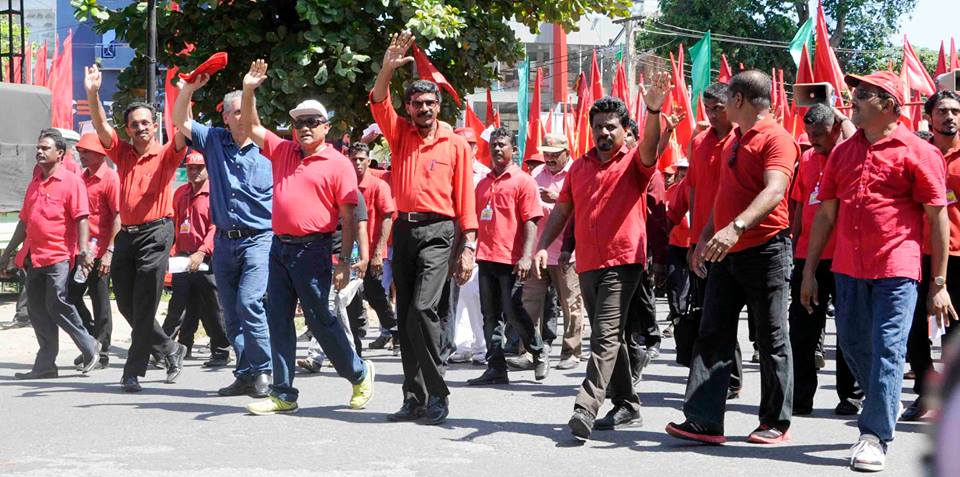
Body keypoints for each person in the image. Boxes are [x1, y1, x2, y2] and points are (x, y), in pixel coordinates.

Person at [800, 71, 955, 472]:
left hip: (896, 269)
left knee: (889, 348)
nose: (853, 99)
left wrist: (938, 283)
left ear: (888, 105)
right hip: (848, 268)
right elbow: (825, 215)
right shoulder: (842, 153)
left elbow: (937, 218)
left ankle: (873, 436)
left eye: (864, 94)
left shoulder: (919, 152)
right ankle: (885, 398)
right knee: (852, 345)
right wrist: (809, 271)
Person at [533, 73, 671, 439]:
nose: (604, 132)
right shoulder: (579, 167)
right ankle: (627, 405)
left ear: (625, 130)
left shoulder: (635, 162)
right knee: (610, 337)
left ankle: (586, 407)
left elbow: (651, 147)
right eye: (598, 127)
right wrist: (543, 246)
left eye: (611, 127)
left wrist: (653, 111)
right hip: (588, 264)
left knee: (605, 337)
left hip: (623, 262)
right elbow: (563, 211)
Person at [667, 70, 799, 445]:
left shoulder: (777, 138)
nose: (720, 108)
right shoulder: (733, 141)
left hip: (767, 249)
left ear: (738, 100)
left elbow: (775, 191)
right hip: (725, 252)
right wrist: (704, 237)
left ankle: (775, 422)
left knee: (771, 337)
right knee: (712, 333)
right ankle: (703, 420)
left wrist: (736, 227)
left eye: (726, 100)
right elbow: (722, 198)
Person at [240, 59, 375, 415]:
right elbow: (251, 126)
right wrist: (249, 90)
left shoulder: (339, 163)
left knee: (319, 319)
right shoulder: (283, 150)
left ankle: (359, 373)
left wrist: (344, 262)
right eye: (299, 123)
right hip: (279, 248)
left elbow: (349, 217)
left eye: (312, 122)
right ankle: (284, 393)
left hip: (313, 250)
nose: (304, 128)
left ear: (326, 127)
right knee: (278, 319)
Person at [370, 32, 478, 425]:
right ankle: (413, 397)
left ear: (439, 105)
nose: (425, 108)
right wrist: (387, 67)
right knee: (406, 317)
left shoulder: (455, 143)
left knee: (423, 308)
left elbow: (465, 198)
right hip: (405, 231)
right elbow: (377, 100)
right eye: (417, 103)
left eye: (430, 102)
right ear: (409, 108)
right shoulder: (400, 134)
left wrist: (468, 246)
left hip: (440, 233)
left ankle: (438, 393)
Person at [85, 64, 188, 392]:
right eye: (134, 124)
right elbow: (101, 125)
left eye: (146, 122)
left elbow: (184, 129)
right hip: (127, 235)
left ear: (155, 125)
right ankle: (170, 348)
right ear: (128, 130)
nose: (141, 127)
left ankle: (132, 371)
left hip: (157, 233)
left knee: (144, 304)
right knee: (126, 304)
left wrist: (186, 92)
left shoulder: (166, 154)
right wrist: (92, 93)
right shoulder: (123, 152)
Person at [173, 79, 274, 399]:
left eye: (248, 109)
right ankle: (245, 372)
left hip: (259, 239)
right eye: (237, 111)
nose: (244, 116)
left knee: (249, 303)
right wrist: (187, 90)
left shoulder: (270, 146)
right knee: (230, 313)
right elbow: (179, 120)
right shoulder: (214, 140)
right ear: (226, 117)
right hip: (225, 243)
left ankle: (264, 371)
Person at [0, 131, 100, 379]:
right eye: (38, 147)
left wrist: (84, 250)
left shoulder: (71, 181)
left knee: (56, 303)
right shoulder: (35, 183)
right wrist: (9, 251)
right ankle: (45, 365)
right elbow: (25, 221)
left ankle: (90, 346)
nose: (39, 151)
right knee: (37, 310)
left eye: (45, 148)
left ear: (60, 153)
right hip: (34, 256)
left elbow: (82, 218)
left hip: (59, 256)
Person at [787, 104, 861, 416]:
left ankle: (851, 396)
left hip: (844, 257)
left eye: (820, 133)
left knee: (848, 330)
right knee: (802, 330)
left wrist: (842, 117)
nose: (813, 139)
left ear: (836, 129)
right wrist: (794, 244)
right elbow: (800, 204)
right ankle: (801, 397)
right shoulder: (806, 159)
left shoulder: (849, 155)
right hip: (809, 257)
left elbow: (855, 138)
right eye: (809, 133)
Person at [466, 127, 545, 385]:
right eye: (494, 145)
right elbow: (474, 221)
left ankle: (537, 350)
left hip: (511, 260)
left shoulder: (523, 181)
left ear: (514, 149)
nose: (497, 148)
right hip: (486, 257)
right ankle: (496, 367)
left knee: (512, 310)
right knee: (490, 315)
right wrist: (464, 251)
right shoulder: (483, 183)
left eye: (503, 144)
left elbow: (531, 221)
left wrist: (526, 256)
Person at [680, 82, 744, 397]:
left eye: (718, 108)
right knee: (711, 313)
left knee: (728, 314)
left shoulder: (742, 140)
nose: (712, 115)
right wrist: (694, 239)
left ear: (732, 106)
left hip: (736, 240)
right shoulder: (700, 142)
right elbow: (693, 189)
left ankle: (730, 377)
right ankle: (724, 378)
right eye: (708, 109)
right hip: (704, 242)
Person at [903, 90, 960, 422]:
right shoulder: (918, 154)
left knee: (955, 332)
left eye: (955, 111)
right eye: (942, 111)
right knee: (912, 328)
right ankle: (926, 390)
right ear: (929, 117)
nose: (949, 116)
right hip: (916, 253)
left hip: (957, 255)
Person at [161, 152, 231, 368]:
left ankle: (220, 351)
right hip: (183, 258)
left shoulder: (215, 194)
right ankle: (169, 349)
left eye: (199, 168)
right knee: (178, 306)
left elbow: (216, 227)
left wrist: (201, 252)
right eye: (190, 168)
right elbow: (174, 223)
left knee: (213, 307)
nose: (194, 172)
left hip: (207, 259)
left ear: (208, 169)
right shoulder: (180, 193)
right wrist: (170, 251)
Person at [521, 133, 584, 371]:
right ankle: (530, 352)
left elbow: (584, 207)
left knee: (571, 304)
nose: (549, 158)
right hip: (539, 251)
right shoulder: (536, 174)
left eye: (555, 154)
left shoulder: (577, 172)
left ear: (567, 153)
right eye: (546, 153)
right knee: (530, 302)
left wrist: (558, 199)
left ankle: (571, 352)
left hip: (568, 252)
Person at [67, 133, 120, 370]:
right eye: (80, 151)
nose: (82, 155)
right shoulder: (81, 178)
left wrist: (110, 251)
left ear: (100, 154)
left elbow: (118, 216)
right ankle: (92, 342)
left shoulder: (110, 179)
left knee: (100, 302)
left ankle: (103, 352)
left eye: (87, 151)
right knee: (70, 297)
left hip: (101, 252)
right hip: (83, 252)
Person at [348, 142, 398, 348]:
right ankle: (356, 340)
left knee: (375, 294)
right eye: (354, 159)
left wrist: (378, 252)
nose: (358, 163)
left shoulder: (379, 186)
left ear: (369, 161)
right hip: (349, 253)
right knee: (351, 296)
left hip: (372, 252)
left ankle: (395, 330)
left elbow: (387, 217)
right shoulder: (345, 184)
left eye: (362, 159)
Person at [449, 127, 490, 365]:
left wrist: (473, 243)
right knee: (459, 295)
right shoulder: (447, 169)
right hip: (449, 236)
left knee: (473, 293)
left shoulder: (484, 175)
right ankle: (462, 344)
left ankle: (482, 345)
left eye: (468, 145)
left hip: (474, 238)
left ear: (475, 148)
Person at [664, 160, 691, 337]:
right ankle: (676, 319)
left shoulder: (697, 190)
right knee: (673, 283)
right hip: (674, 244)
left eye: (687, 173)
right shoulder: (670, 192)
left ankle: (684, 321)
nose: (683, 176)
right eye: (681, 173)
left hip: (694, 245)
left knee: (689, 286)